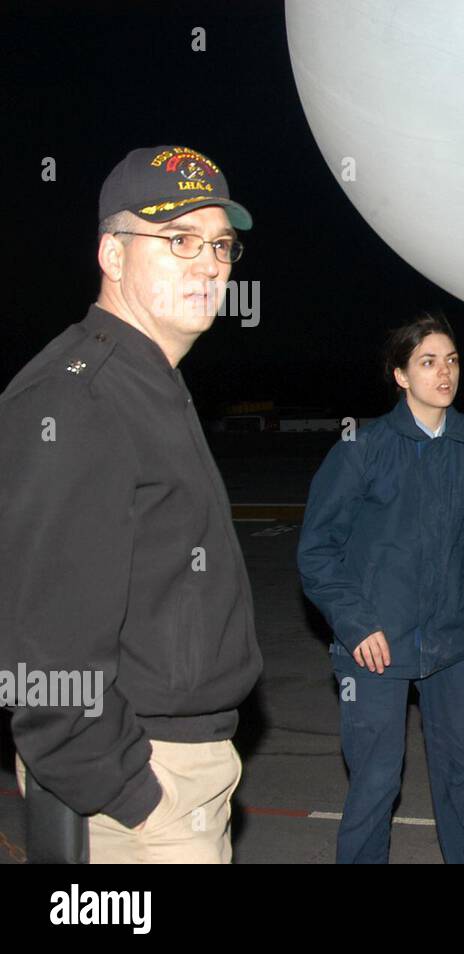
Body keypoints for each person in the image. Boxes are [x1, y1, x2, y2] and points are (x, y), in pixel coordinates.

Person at [0, 145, 263, 863]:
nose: (210, 264)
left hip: (183, 770)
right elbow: (42, 653)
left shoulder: (148, 383)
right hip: (138, 795)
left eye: (220, 245)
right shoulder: (77, 397)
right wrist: (136, 800)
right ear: (112, 256)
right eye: (178, 240)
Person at [298, 312, 464, 864]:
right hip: (375, 641)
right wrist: (355, 624)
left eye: (452, 360)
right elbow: (317, 549)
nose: (445, 373)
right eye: (428, 362)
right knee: (375, 784)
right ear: (400, 375)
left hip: (450, 638)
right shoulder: (363, 449)